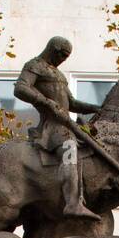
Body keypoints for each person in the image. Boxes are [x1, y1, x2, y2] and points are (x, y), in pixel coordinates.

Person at [14, 36, 101, 222]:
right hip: (52, 127)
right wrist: (45, 102)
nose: (63, 59)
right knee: (70, 148)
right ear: (52, 48)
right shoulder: (35, 65)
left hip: (67, 124)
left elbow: (72, 103)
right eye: (61, 54)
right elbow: (20, 88)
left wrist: (96, 108)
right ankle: (72, 203)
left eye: (66, 56)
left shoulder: (58, 75)